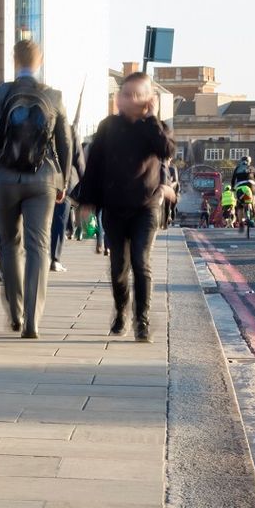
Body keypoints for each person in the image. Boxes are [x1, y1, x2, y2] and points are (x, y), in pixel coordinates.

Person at [0, 40, 76, 339]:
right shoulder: (53, 96)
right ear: (40, 60)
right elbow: (65, 142)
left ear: (13, 59)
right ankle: (33, 319)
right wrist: (64, 181)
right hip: (42, 179)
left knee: (9, 244)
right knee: (38, 247)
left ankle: (15, 311)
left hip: (4, 179)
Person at [73, 73, 175, 341]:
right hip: (115, 208)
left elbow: (166, 150)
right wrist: (87, 203)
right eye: (125, 93)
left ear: (148, 99)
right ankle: (121, 312)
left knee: (141, 263)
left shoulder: (156, 127)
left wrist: (151, 118)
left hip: (147, 206)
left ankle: (142, 321)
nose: (129, 99)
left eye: (136, 94)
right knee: (119, 267)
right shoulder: (108, 127)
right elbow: (94, 168)